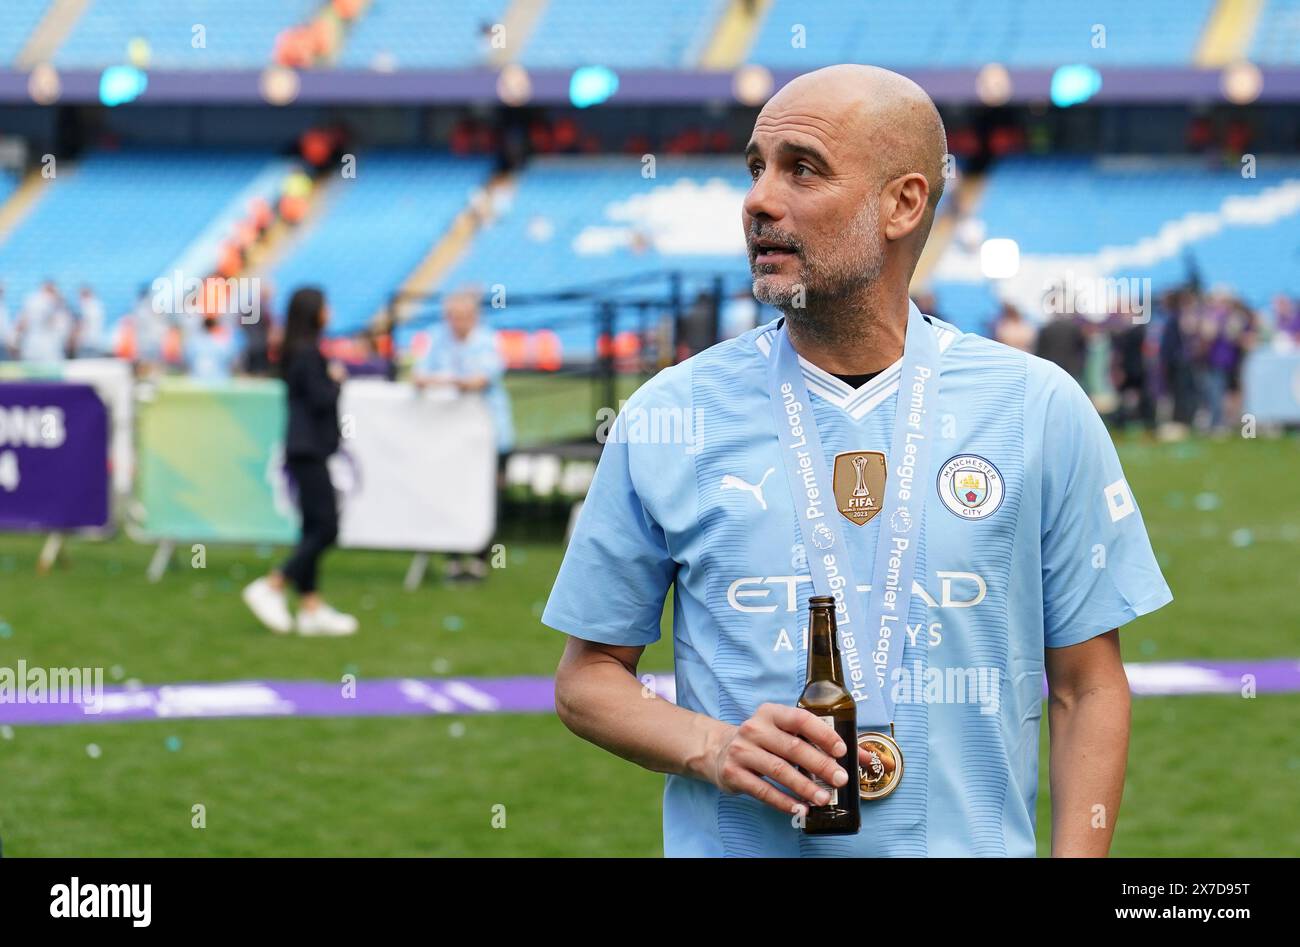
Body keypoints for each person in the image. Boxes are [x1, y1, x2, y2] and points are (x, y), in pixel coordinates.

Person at [543, 65, 1171, 858]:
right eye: (756, 166)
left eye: (801, 168)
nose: (759, 199)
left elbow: (1088, 685)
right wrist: (713, 745)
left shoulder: (1036, 407)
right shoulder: (671, 416)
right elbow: (587, 676)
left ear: (903, 203)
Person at [242, 287, 358, 636]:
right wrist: (336, 381)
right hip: (308, 450)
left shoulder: (297, 350)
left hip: (304, 448)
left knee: (311, 528)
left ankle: (310, 607)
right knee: (327, 527)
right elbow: (320, 399)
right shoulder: (308, 354)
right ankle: (274, 584)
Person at [412, 287, 514, 581]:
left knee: (487, 494)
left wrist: (441, 381)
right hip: (449, 436)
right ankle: (454, 557)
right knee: (450, 491)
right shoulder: (436, 338)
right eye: (452, 316)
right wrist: (451, 382)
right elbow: (418, 376)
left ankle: (481, 557)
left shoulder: (487, 341)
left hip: (491, 435)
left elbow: (480, 380)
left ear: (475, 316)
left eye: (463, 316)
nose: (457, 323)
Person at [185, 313, 239, 381]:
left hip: (220, 382)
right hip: (198, 382)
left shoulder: (225, 340)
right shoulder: (195, 340)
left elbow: (233, 360)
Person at [74, 285, 107, 358]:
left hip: (88, 343)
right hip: (95, 341)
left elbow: (84, 324)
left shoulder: (88, 306)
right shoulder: (98, 305)